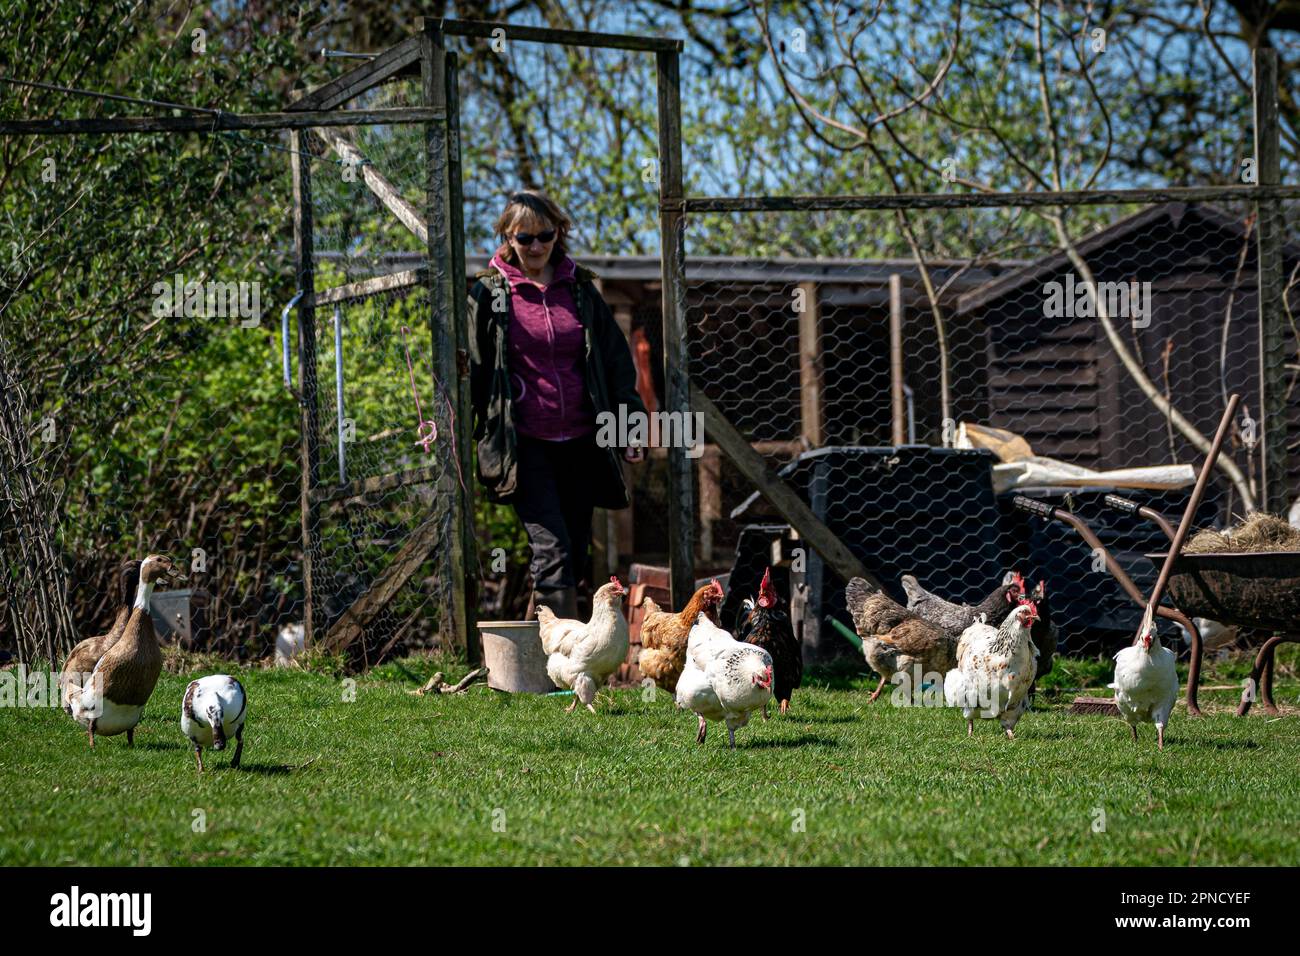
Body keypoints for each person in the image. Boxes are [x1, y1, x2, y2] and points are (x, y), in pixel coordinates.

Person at [467, 190, 647, 619]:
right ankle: (556, 671)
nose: (534, 246)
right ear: (508, 237)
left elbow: (616, 362)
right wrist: (454, 424)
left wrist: (629, 429)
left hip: (583, 441)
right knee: (552, 550)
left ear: (558, 234)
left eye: (543, 235)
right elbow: (473, 366)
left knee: (575, 552)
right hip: (525, 442)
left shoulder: (580, 290)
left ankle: (536, 651)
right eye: (523, 237)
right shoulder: (490, 294)